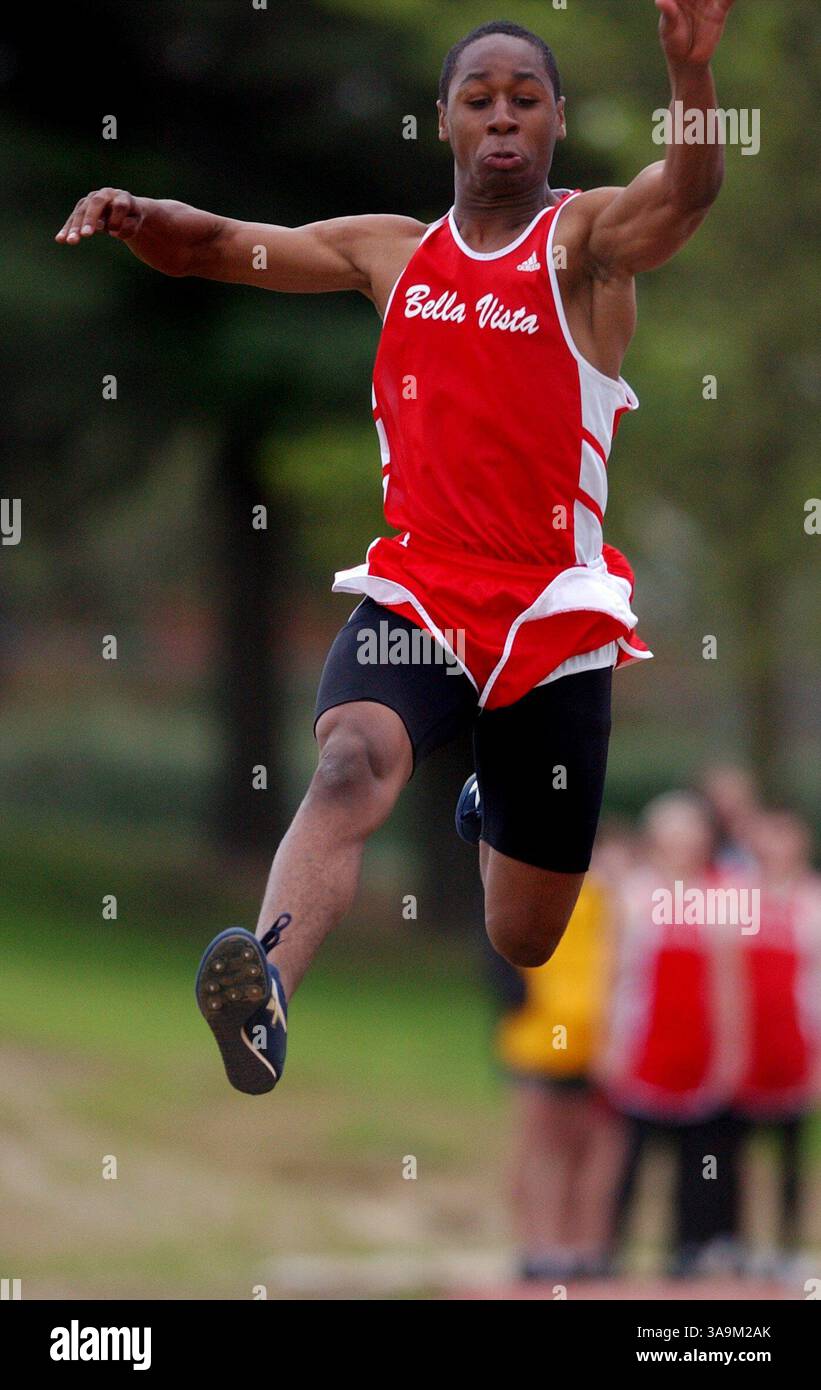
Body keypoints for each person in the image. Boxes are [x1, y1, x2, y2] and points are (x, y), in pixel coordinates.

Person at [56, 1, 737, 1095]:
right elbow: (228, 249)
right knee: (346, 766)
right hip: (418, 594)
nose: (502, 120)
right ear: (444, 123)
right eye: (479, 102)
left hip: (550, 618)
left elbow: (686, 196)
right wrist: (139, 215)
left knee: (523, 935)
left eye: (524, 101)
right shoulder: (390, 253)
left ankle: (486, 799)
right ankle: (268, 988)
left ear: (556, 119)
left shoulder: (583, 249)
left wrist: (689, 75)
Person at [600, 792, 746, 1276]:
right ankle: (609, 1252)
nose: (685, 846)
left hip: (698, 1048)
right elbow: (611, 970)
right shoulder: (633, 893)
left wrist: (731, 1050)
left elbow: (729, 980)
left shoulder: (720, 895)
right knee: (629, 1157)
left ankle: (686, 1254)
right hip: (641, 1044)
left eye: (693, 837)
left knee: (696, 1160)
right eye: (674, 837)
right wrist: (607, 1041)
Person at [486, 849, 622, 1282]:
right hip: (538, 1037)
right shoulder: (524, 891)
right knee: (540, 1144)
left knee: (591, 1146)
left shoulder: (607, 896)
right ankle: (537, 1245)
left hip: (594, 1040)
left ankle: (583, 1245)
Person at [734, 809, 821, 1277]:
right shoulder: (735, 898)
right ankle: (743, 1243)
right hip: (745, 1043)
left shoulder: (813, 900)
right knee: (740, 1151)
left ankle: (787, 1244)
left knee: (790, 1148)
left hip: (796, 1041)